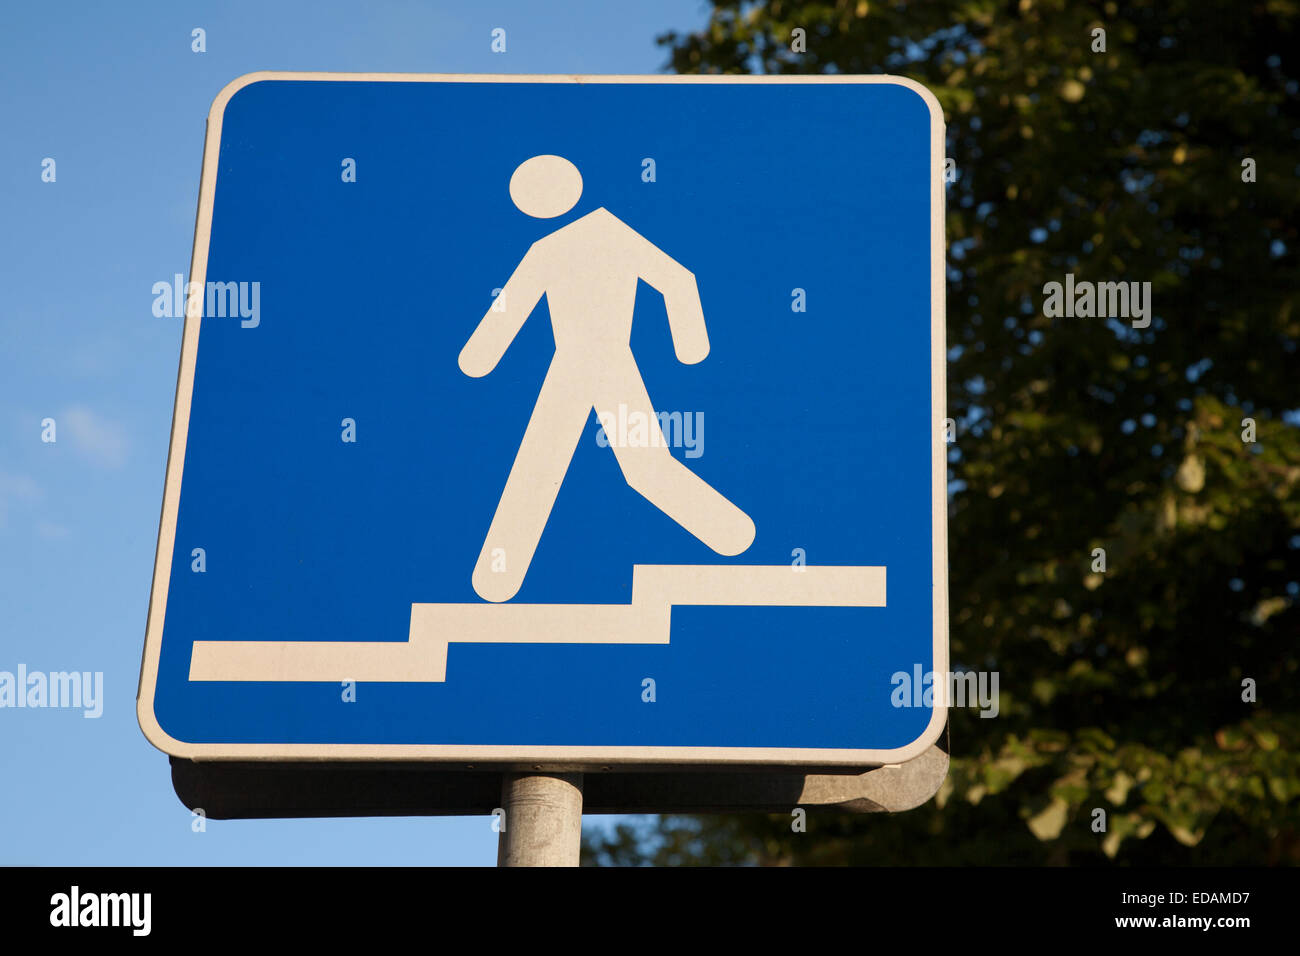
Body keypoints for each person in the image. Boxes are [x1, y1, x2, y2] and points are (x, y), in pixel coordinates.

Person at [460, 154, 755, 603]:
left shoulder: (583, 241)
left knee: (557, 464)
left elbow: (677, 279)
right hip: (583, 365)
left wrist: (691, 346)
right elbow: (511, 305)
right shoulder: (568, 244)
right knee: (598, 465)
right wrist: (480, 355)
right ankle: (498, 572)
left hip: (605, 363)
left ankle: (729, 531)